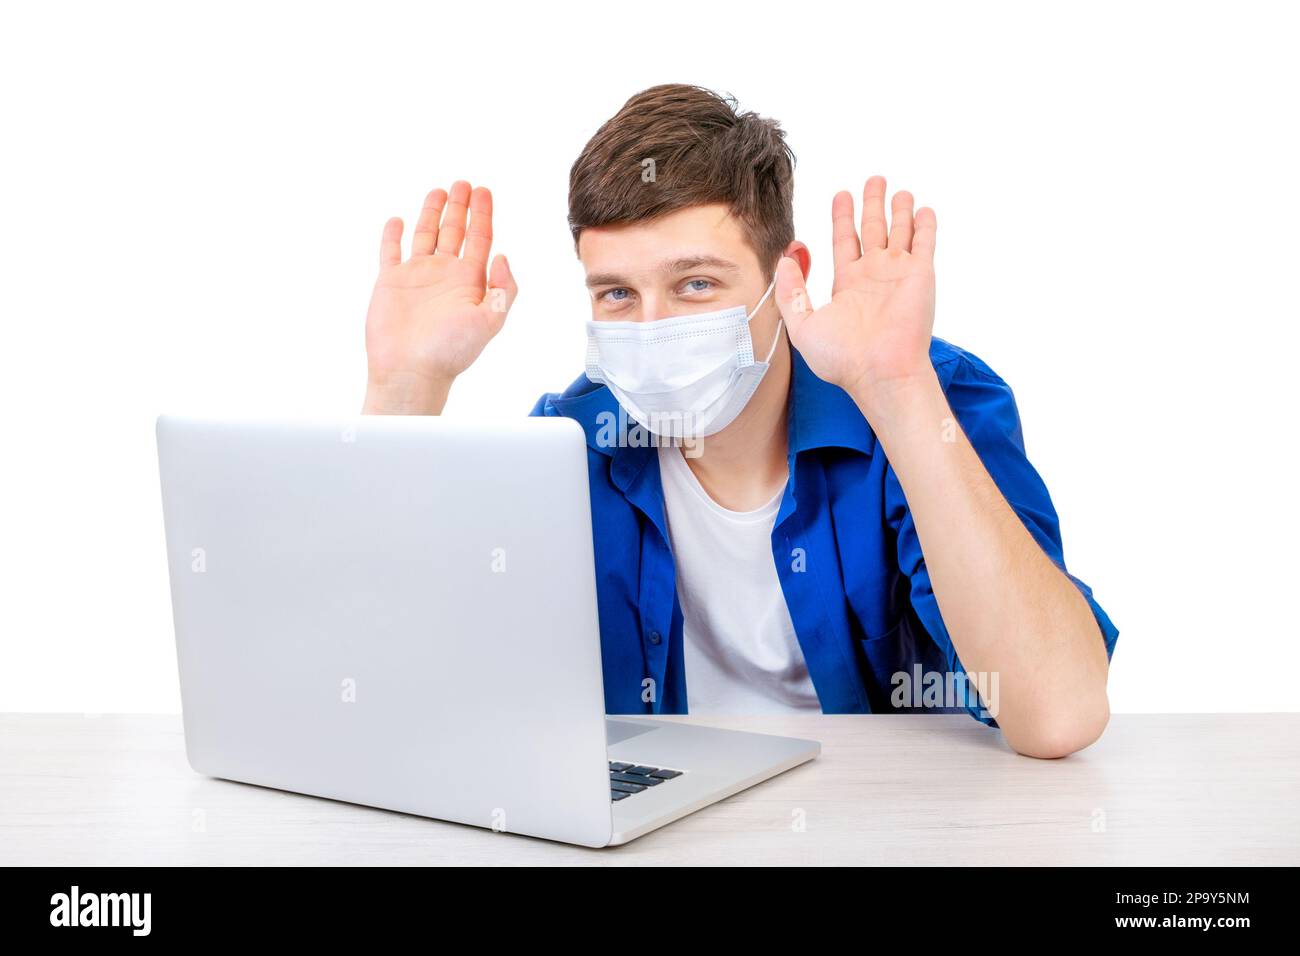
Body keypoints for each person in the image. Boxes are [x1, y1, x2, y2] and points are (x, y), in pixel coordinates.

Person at [360, 84, 1118, 758]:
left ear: (785, 276)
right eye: (617, 293)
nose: (653, 326)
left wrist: (898, 390)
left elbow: (1057, 715)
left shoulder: (928, 395)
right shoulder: (567, 447)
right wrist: (405, 389)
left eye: (695, 283)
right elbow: (400, 694)